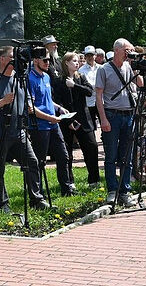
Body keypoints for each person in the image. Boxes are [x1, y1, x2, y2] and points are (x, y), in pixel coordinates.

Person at [0, 46, 47, 211]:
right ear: (2, 59)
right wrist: (1, 102)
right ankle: (2, 203)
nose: (16, 60)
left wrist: (28, 104)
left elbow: (22, 101)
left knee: (32, 162)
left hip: (19, 131)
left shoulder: (19, 78)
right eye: (12, 56)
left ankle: (36, 199)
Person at [96, 38, 143, 207]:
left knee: (127, 156)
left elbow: (141, 84)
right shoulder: (104, 69)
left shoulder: (129, 67)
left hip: (128, 115)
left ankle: (125, 191)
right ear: (117, 50)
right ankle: (112, 190)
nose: (129, 54)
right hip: (112, 115)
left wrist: (134, 64)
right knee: (111, 156)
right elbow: (99, 96)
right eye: (127, 51)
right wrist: (103, 119)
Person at [27, 47, 74, 196]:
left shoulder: (46, 77)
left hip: (53, 123)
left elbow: (47, 100)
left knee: (63, 156)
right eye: (45, 60)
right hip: (40, 126)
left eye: (49, 60)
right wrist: (50, 118)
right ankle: (37, 194)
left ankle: (66, 189)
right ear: (35, 61)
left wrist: (59, 108)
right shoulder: (29, 78)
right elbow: (31, 108)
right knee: (39, 161)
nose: (48, 63)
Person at [52, 51, 99, 190]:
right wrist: (68, 121)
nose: (77, 63)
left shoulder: (81, 77)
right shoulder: (59, 80)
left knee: (91, 147)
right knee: (67, 153)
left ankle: (94, 180)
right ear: (66, 63)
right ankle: (69, 182)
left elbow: (90, 91)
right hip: (66, 121)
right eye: (74, 60)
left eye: (78, 61)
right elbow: (57, 101)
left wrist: (75, 86)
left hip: (83, 120)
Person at [79, 46, 102, 134]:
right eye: (87, 55)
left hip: (101, 100)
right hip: (89, 101)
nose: (90, 57)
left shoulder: (101, 68)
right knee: (91, 125)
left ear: (95, 55)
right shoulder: (81, 70)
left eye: (91, 55)